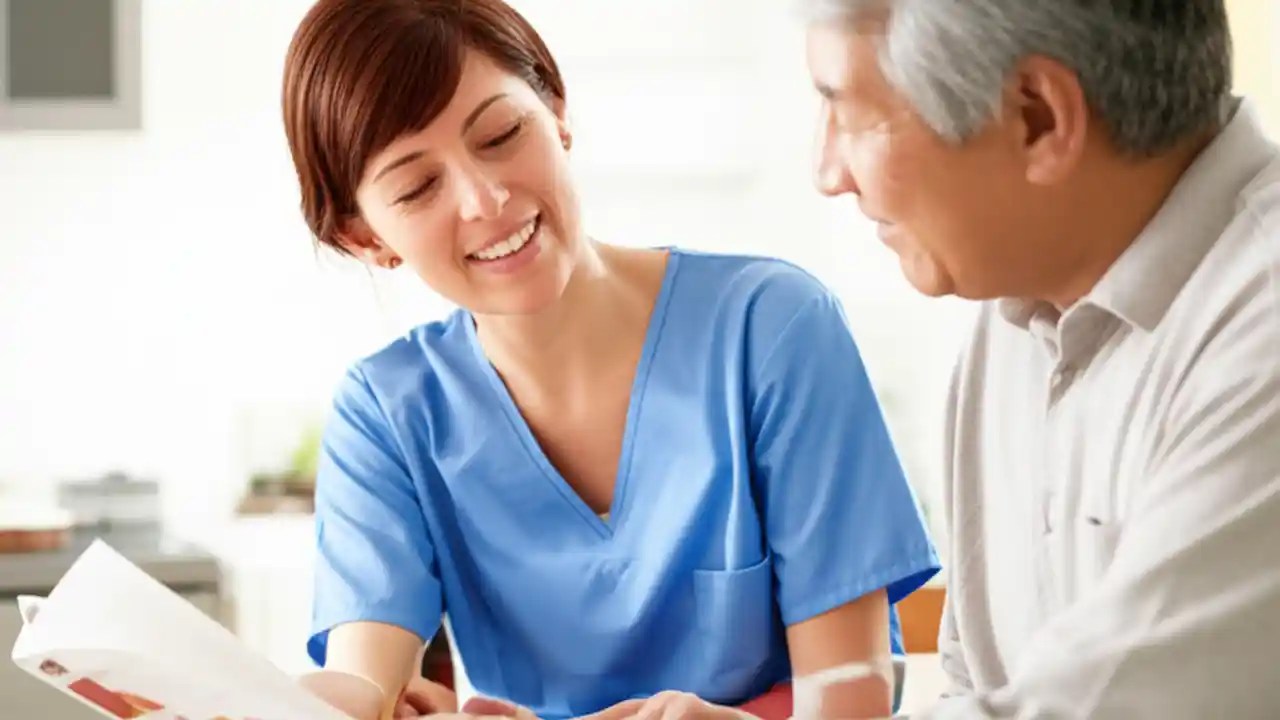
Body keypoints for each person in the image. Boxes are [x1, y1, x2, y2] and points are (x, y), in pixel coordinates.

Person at [281, 1, 941, 719]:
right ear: (362, 236)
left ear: (556, 111)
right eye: (417, 188)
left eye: (502, 135)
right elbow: (362, 686)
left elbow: (855, 698)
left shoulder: (772, 327)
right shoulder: (388, 413)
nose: (486, 199)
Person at [802, 0, 1280, 717]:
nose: (828, 172)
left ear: (1038, 120)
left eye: (855, 115)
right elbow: (986, 689)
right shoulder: (1017, 313)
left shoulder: (1259, 328)